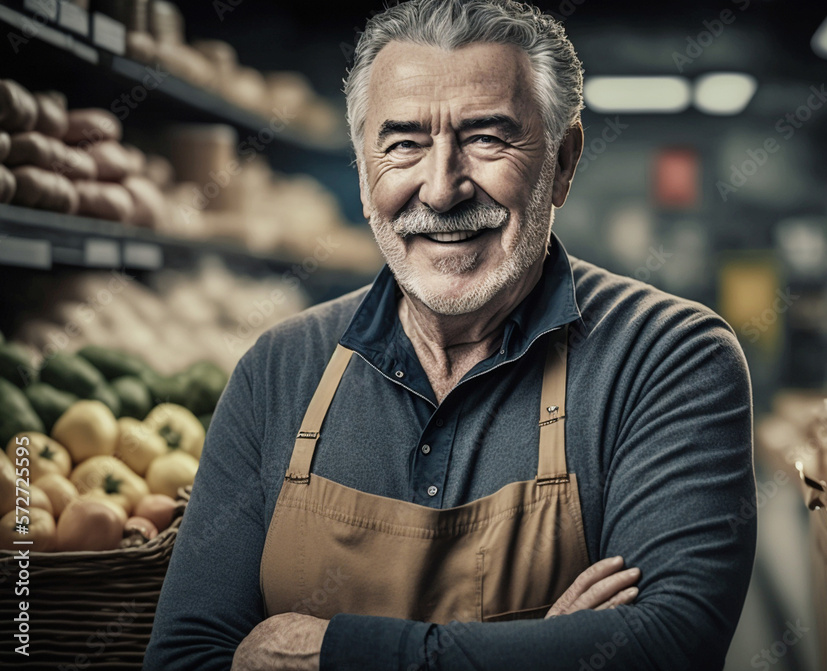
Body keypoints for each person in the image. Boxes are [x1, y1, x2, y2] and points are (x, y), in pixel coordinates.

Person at [143, 1, 756, 669]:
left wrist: (332, 652)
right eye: (403, 143)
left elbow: (668, 646)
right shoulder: (280, 368)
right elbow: (184, 658)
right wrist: (535, 651)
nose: (440, 189)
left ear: (563, 161)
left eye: (487, 138)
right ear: (361, 166)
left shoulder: (669, 357)